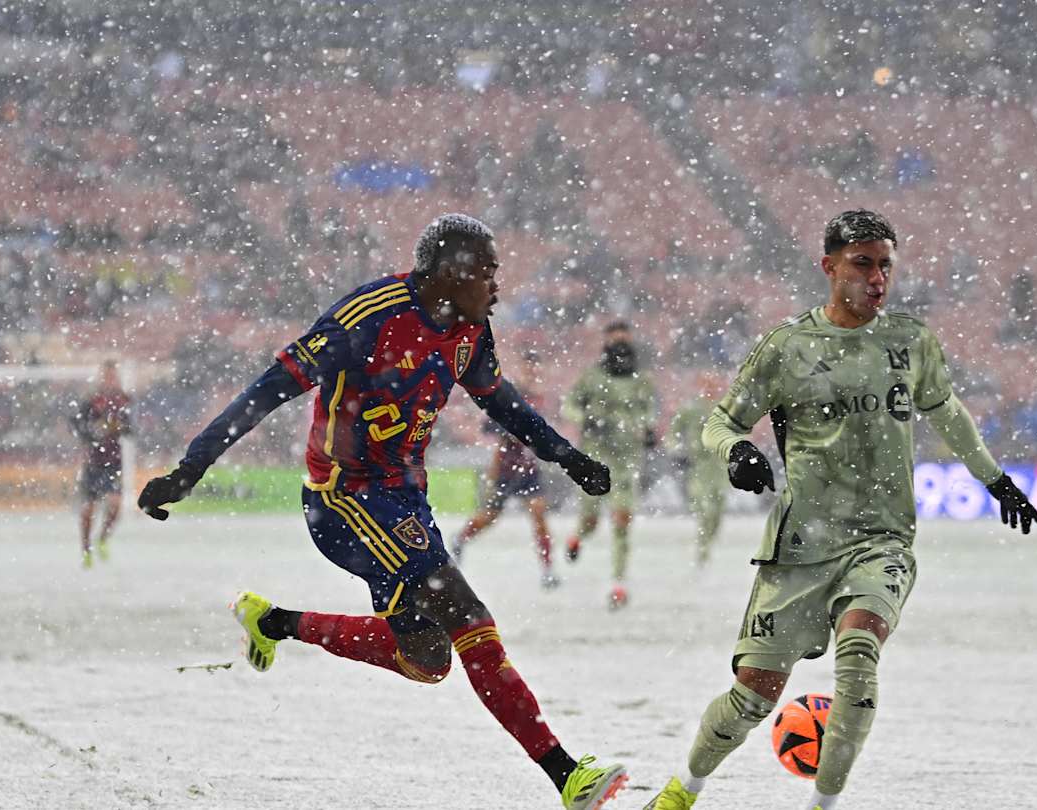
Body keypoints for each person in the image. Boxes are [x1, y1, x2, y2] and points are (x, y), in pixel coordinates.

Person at [137, 214, 628, 809]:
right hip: (343, 499)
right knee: (464, 609)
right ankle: (566, 774)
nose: (498, 288)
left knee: (426, 660)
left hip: (402, 497)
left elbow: (503, 403)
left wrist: (567, 457)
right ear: (450, 274)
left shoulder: (471, 330)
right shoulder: (366, 318)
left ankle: (275, 622)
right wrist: (191, 468)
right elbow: (268, 389)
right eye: (489, 274)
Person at [642, 210, 1037, 810]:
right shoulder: (787, 347)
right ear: (829, 266)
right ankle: (683, 792)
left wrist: (996, 480)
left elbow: (948, 413)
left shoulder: (910, 342)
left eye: (885, 265)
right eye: (863, 263)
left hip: (881, 541)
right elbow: (720, 422)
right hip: (800, 546)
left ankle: (823, 807)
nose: (877, 278)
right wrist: (733, 454)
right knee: (752, 699)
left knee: (860, 656)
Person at [562, 321, 657, 608]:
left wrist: (647, 428)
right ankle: (577, 537)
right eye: (614, 340)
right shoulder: (590, 378)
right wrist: (586, 420)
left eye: (624, 341)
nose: (620, 347)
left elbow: (649, 410)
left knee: (622, 518)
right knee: (590, 519)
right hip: (594, 457)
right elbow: (569, 406)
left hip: (627, 459)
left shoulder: (642, 380)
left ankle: (618, 583)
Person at [452, 350, 561, 588]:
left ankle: (548, 568)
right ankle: (460, 539)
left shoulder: (543, 398)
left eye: (535, 368)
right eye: (528, 367)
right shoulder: (508, 394)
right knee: (489, 516)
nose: (532, 372)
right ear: (522, 369)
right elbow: (489, 426)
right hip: (506, 467)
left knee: (539, 512)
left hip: (529, 467)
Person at [70, 359, 131, 568]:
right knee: (88, 510)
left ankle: (103, 538)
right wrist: (92, 432)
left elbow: (131, 429)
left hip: (113, 463)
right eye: (106, 376)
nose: (110, 380)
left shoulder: (124, 401)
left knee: (115, 506)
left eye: (113, 376)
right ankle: (86, 548)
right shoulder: (91, 401)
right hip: (93, 463)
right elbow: (77, 426)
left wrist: (119, 427)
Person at [667, 371, 729, 566]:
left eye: (713, 383)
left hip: (720, 466)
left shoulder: (727, 408)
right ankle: (703, 548)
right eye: (706, 383)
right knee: (704, 508)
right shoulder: (691, 409)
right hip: (699, 466)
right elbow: (673, 432)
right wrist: (678, 451)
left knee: (718, 510)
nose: (710, 387)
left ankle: (709, 539)